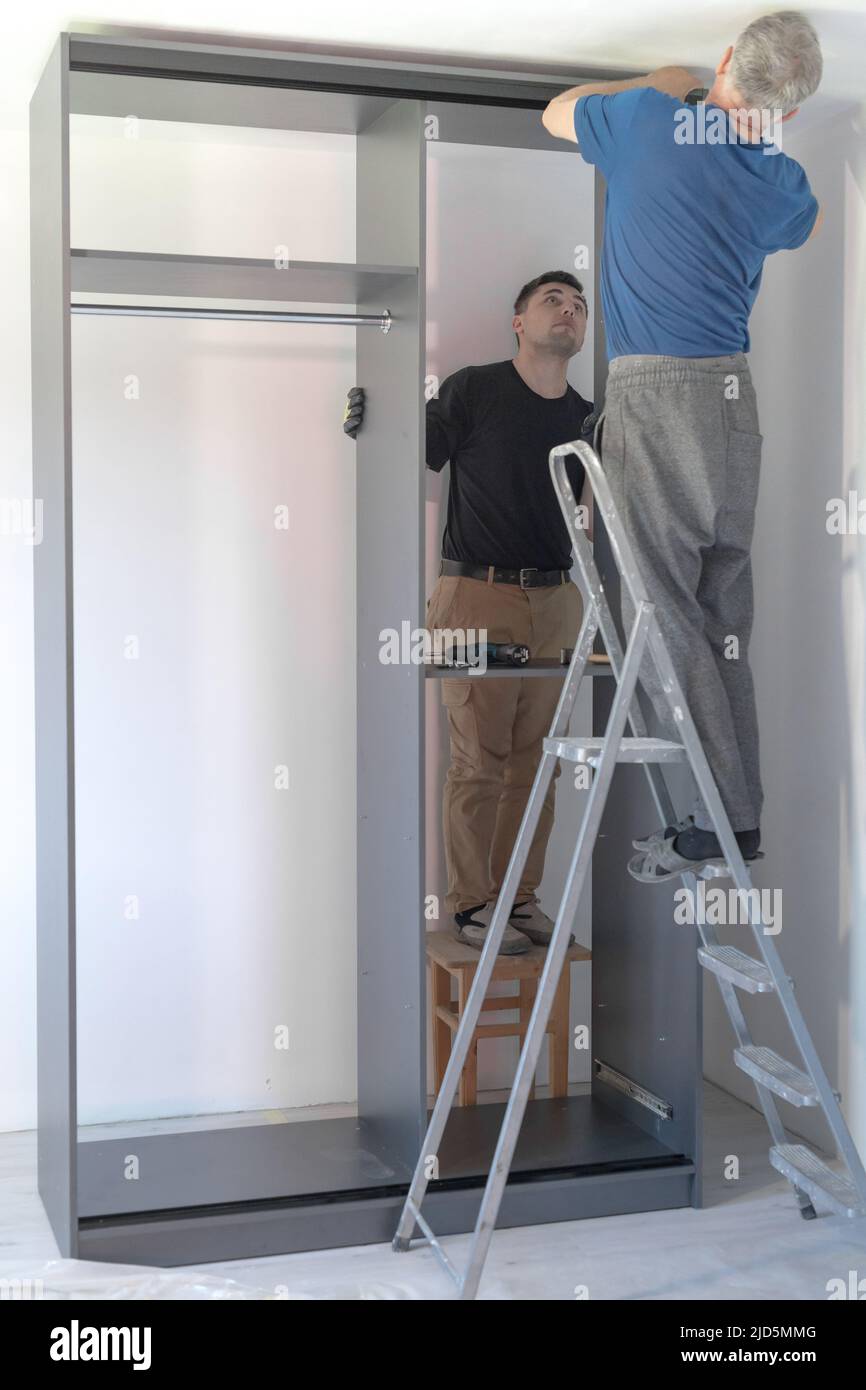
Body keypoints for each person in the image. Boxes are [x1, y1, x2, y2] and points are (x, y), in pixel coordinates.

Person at [541, 11, 823, 880]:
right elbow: (796, 217)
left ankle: (723, 820)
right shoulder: (785, 181)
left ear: (728, 56)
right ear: (792, 112)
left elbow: (554, 110)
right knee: (718, 615)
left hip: (658, 392)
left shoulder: (648, 121)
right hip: (734, 403)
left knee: (661, 609)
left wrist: (656, 85)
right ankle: (739, 819)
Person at [345, 272, 594, 952]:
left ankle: (519, 899)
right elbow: (412, 452)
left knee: (537, 762)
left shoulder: (587, 417)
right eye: (553, 301)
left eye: (578, 306)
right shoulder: (474, 388)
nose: (568, 312)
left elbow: (592, 517)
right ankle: (469, 907)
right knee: (477, 761)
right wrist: (373, 416)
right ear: (519, 320)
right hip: (473, 594)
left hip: (557, 598)